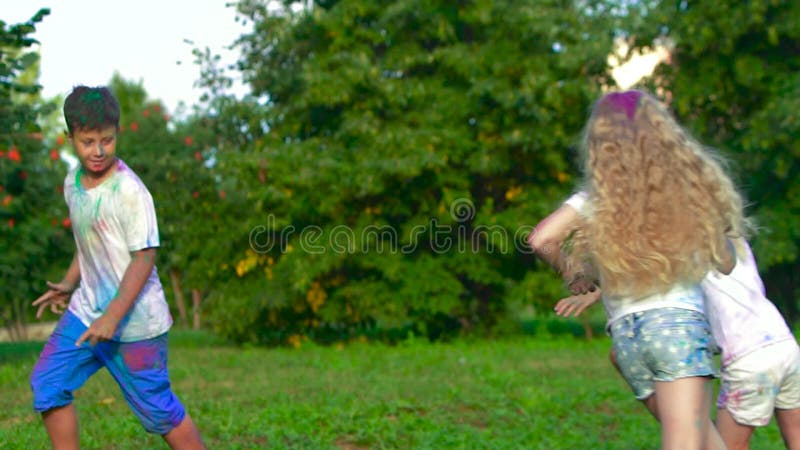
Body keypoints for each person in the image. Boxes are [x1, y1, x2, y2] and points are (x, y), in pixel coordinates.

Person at [528, 89, 748, 450]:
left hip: (627, 339)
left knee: (707, 441)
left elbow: (542, 239)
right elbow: (725, 263)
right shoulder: (684, 193)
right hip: (676, 329)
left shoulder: (596, 200)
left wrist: (577, 274)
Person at [29, 86, 205, 450]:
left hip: (135, 324)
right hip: (86, 313)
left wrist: (112, 318)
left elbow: (144, 257)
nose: (98, 151)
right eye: (88, 141)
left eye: (106, 140)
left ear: (117, 134)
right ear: (70, 138)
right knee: (48, 383)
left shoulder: (129, 191)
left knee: (159, 412)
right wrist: (69, 283)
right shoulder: (73, 183)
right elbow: (90, 240)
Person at [552, 216, 800, 450]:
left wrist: (595, 289)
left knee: (722, 446)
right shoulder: (730, 240)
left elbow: (646, 268)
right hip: (784, 346)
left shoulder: (688, 242)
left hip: (748, 358)